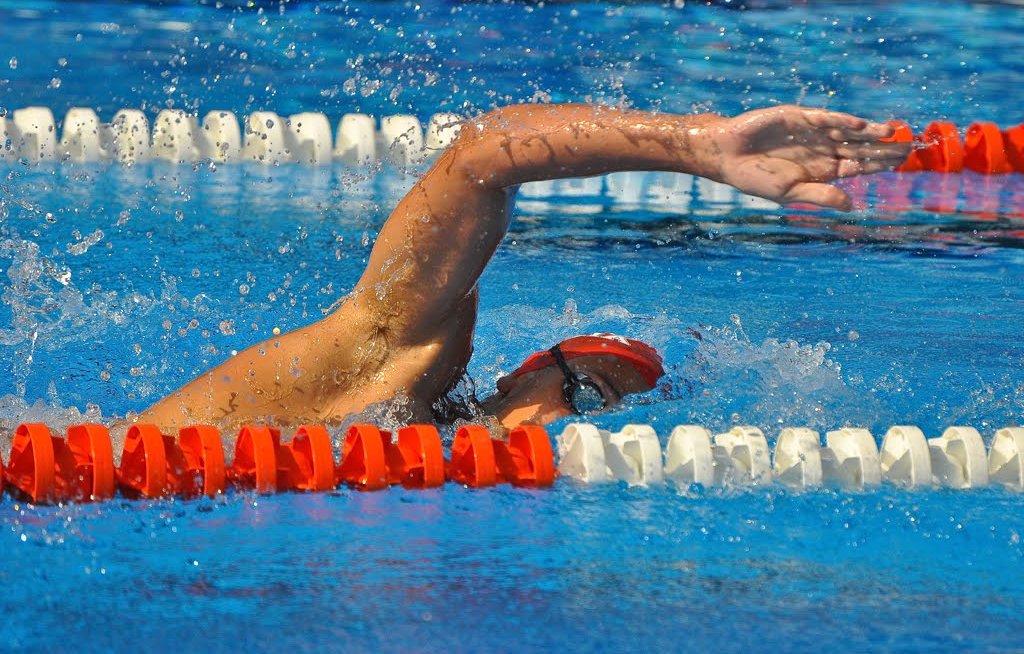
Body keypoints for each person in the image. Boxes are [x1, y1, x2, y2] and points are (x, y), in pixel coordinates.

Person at [134, 103, 909, 435]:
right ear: (513, 379)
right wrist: (698, 147)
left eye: (607, 425)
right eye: (585, 393)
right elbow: (477, 160)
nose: (577, 429)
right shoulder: (387, 377)